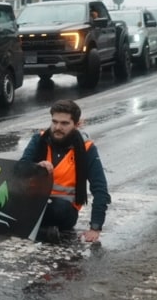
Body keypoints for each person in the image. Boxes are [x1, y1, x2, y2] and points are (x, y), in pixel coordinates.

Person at [19, 99, 111, 243]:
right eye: (54, 122)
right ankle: (43, 233)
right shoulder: (39, 139)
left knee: (58, 208)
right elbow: (20, 169)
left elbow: (100, 189)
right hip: (35, 202)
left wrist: (95, 227)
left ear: (77, 124)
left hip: (63, 209)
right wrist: (36, 167)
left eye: (64, 123)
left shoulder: (87, 149)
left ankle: (26, 227)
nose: (57, 127)